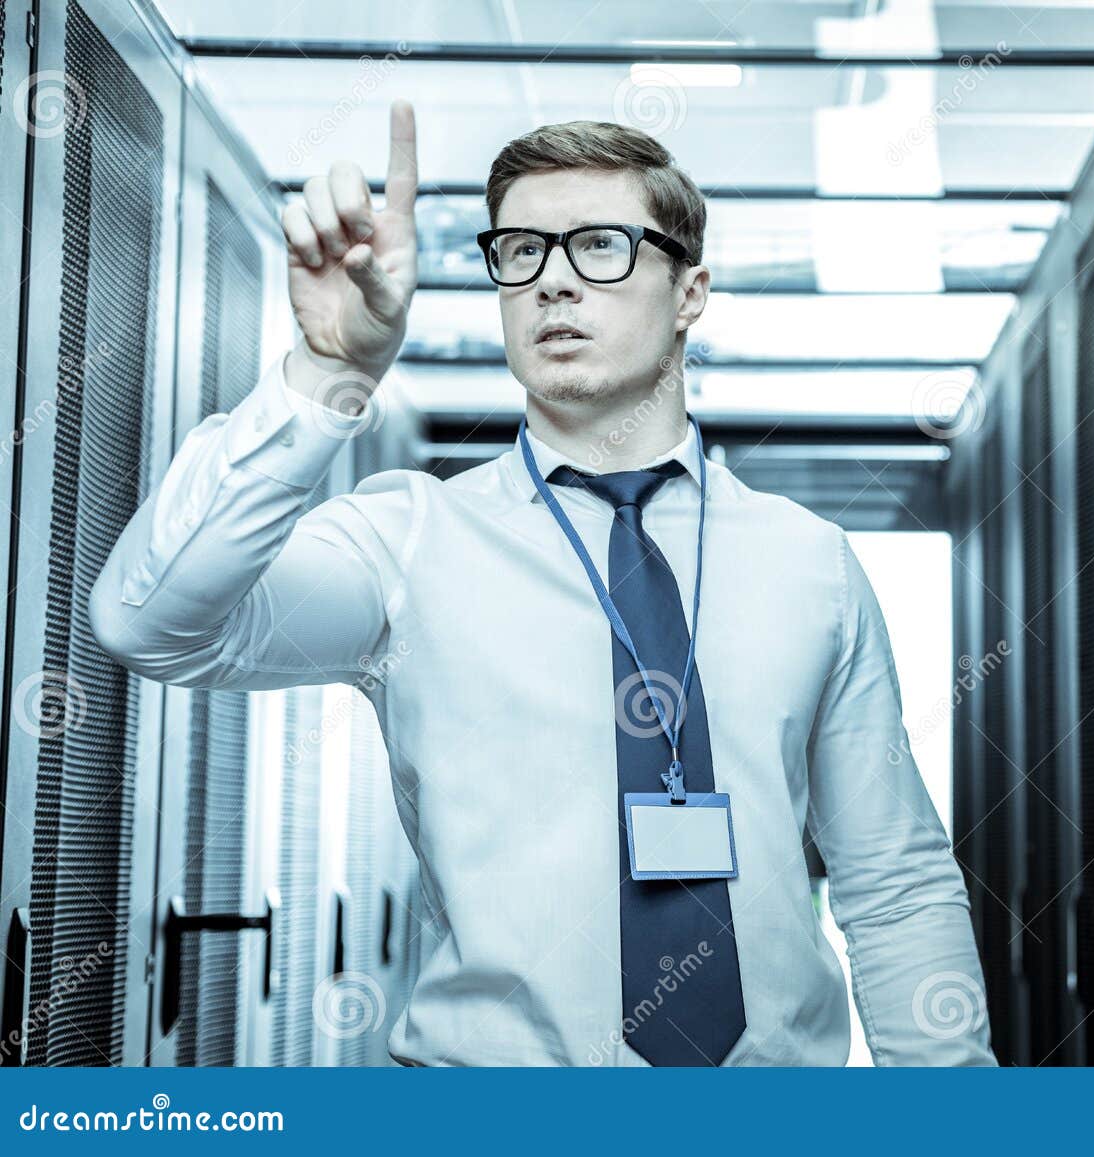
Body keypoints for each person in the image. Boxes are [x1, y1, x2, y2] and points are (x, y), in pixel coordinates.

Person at [89, 99, 995, 1067]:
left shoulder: (809, 562)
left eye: (600, 245)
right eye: (520, 250)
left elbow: (892, 878)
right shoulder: (408, 541)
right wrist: (325, 372)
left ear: (690, 290)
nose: (553, 279)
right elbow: (152, 622)